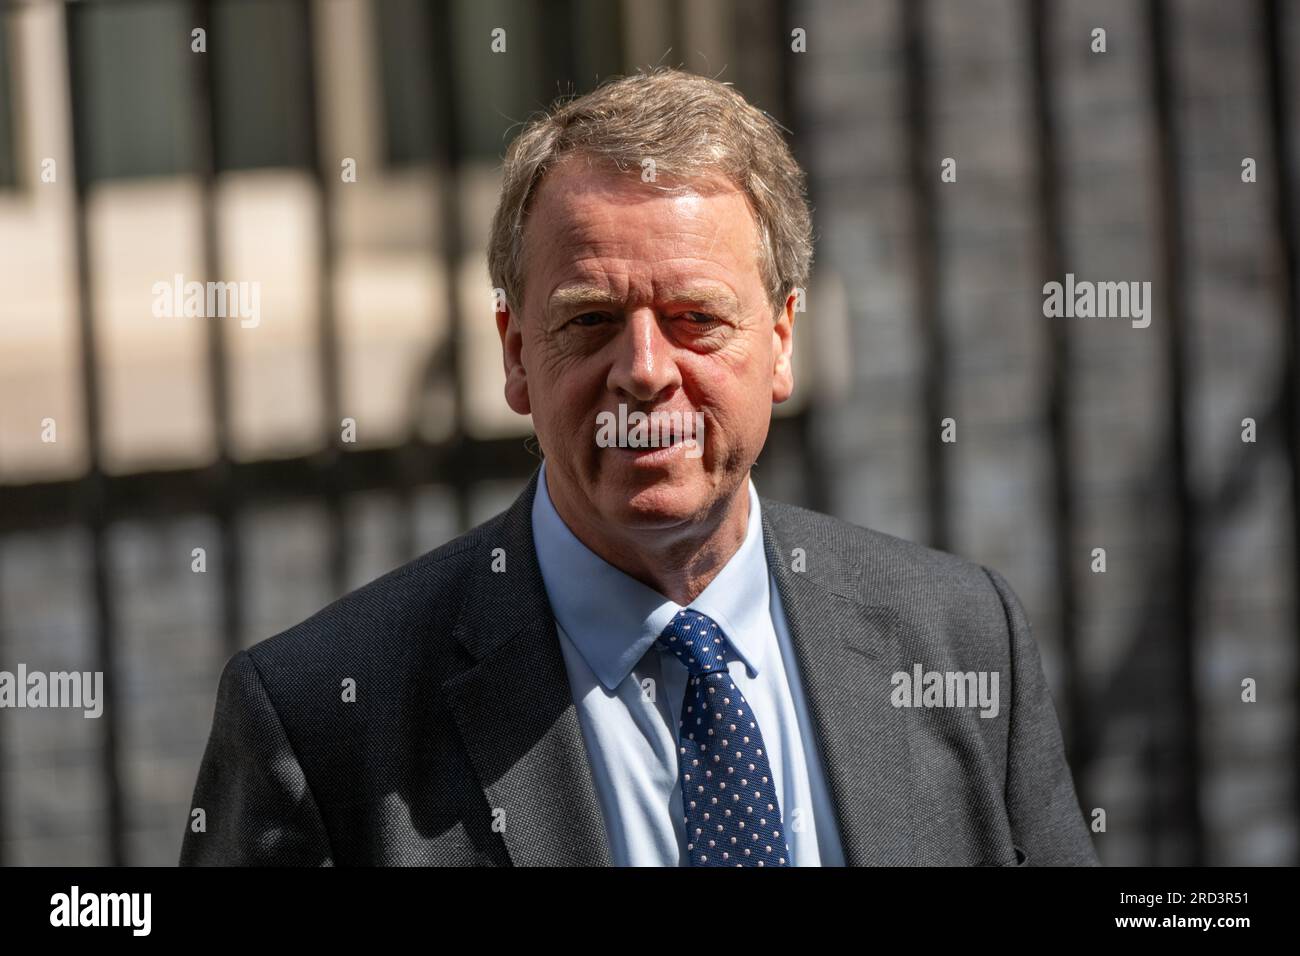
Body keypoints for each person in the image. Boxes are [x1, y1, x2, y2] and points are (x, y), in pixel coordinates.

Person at [180, 67, 1097, 867]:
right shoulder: (320, 723)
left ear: (781, 342)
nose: (646, 370)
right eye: (589, 321)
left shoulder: (963, 642)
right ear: (514, 354)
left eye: (697, 317)